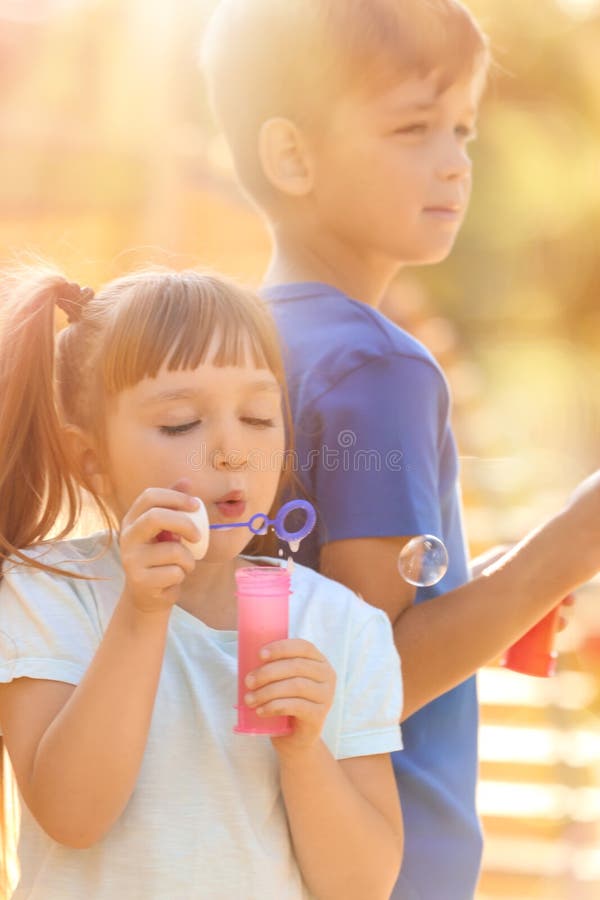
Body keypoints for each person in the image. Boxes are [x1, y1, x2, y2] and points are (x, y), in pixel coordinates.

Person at [201, 2, 600, 897]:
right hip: (380, 865)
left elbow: (322, 615)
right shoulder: (378, 367)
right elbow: (366, 680)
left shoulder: (234, 344)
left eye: (460, 127)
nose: (455, 160)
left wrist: (484, 586)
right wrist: (569, 546)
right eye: (413, 128)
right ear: (292, 155)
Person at [0, 266, 404, 900]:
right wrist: (141, 613)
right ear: (91, 461)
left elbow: (362, 886)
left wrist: (305, 754)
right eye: (182, 423)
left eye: (258, 415)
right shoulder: (47, 593)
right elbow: (72, 817)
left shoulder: (343, 626)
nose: (230, 451)